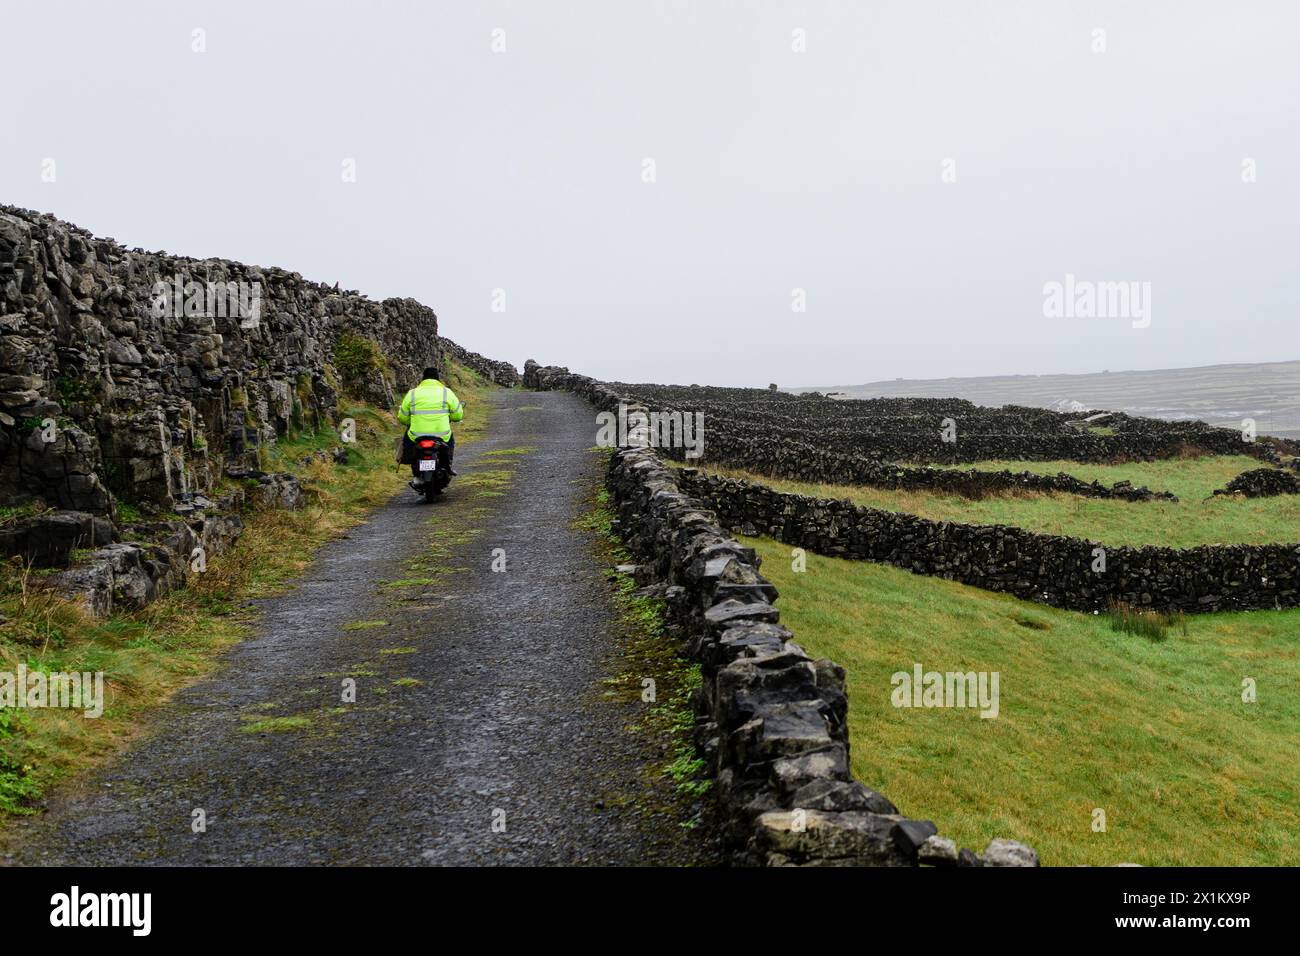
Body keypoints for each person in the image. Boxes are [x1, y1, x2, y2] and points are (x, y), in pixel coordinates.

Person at [397, 366, 464, 482]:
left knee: (407, 442)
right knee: (451, 440)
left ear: (423, 379)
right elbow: (458, 416)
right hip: (442, 435)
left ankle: (414, 468)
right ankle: (448, 466)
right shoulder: (446, 392)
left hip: (416, 435)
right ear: (438, 379)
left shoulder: (412, 393)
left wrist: (411, 421)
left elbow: (402, 417)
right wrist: (450, 417)